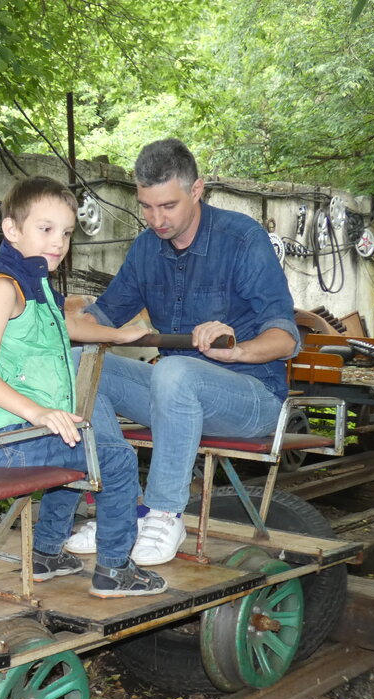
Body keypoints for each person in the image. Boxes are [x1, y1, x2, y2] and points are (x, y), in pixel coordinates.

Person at [66, 138, 300, 565]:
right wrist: (56, 315)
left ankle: (164, 513)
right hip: (176, 398)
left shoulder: (242, 240)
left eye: (168, 206)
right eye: (147, 206)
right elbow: (98, 320)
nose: (157, 219)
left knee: (175, 371)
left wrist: (240, 351)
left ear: (197, 190)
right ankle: (124, 510)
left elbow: (285, 338)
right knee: (81, 364)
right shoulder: (145, 250)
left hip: (253, 398)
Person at [0, 176, 165, 597]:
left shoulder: (32, 279)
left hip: (12, 429)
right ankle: (116, 569)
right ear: (12, 230)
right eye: (45, 229)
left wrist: (116, 335)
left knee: (71, 441)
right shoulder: (2, 287)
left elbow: (58, 326)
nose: (59, 242)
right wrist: (40, 413)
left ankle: (47, 553)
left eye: (65, 232)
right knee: (115, 459)